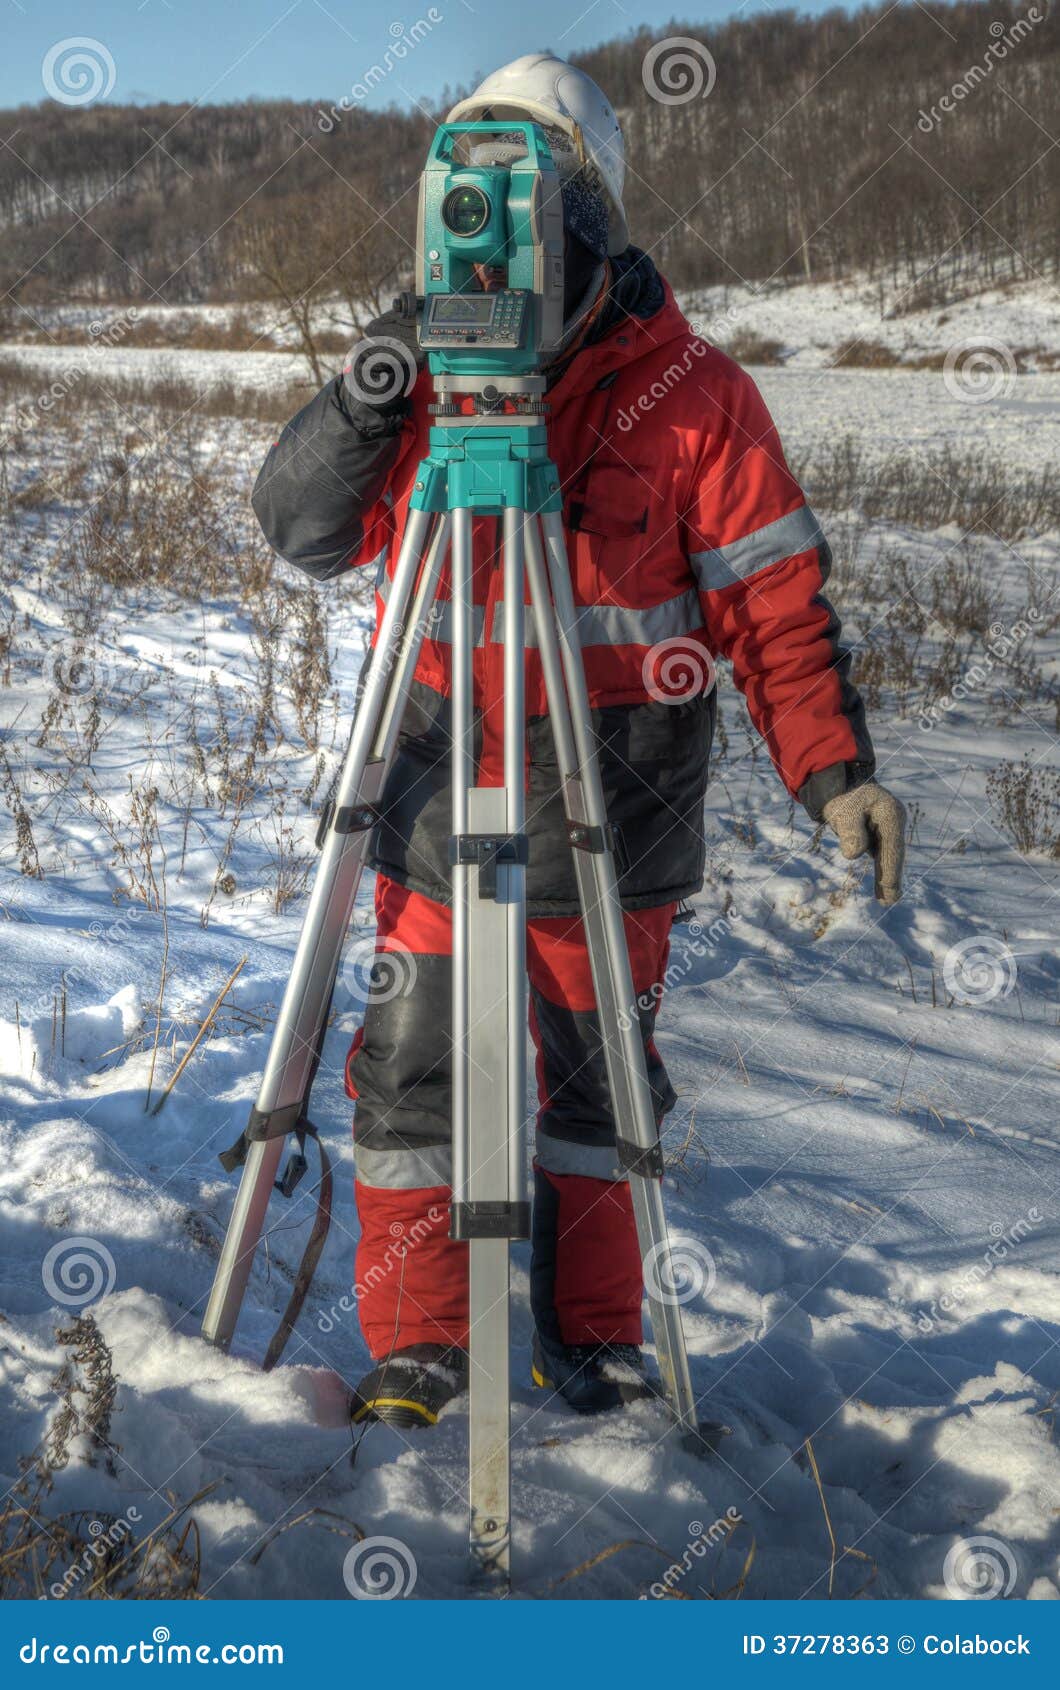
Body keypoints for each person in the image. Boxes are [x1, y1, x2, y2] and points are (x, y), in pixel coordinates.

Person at [251, 53, 905, 1428]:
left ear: (590, 212)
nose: (494, 219)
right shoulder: (417, 370)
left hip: (618, 812)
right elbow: (300, 525)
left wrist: (832, 768)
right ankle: (428, 1344)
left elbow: (773, 598)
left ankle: (597, 1338)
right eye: (466, 186)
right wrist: (386, 367)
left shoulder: (694, 394)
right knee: (414, 1071)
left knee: (602, 1086)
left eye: (522, 183)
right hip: (439, 797)